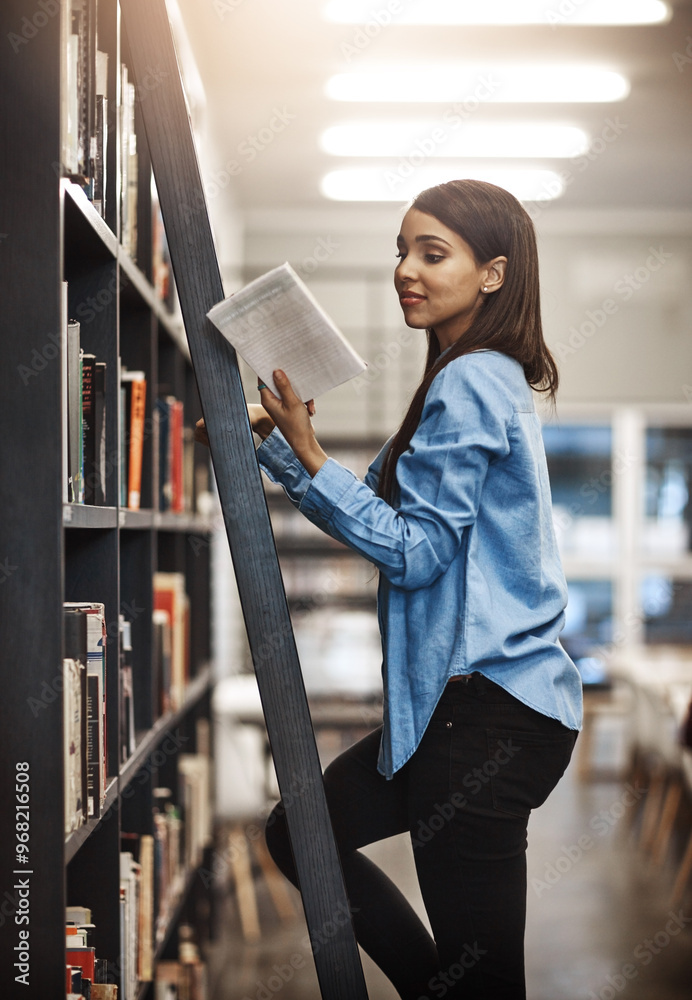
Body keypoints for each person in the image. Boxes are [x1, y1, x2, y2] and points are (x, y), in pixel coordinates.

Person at [200, 179, 583, 999]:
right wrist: (275, 444)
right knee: (300, 833)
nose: (406, 269)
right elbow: (377, 515)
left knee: (483, 977)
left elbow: (415, 554)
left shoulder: (471, 380)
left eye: (432, 252)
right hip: (457, 716)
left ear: (494, 274)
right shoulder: (461, 378)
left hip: (481, 715)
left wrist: (303, 458)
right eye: (400, 252)